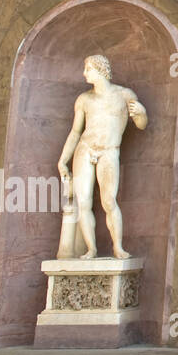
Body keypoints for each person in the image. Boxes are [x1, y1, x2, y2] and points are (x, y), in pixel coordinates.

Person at [57, 55, 147, 259]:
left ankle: (118, 247)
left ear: (100, 70)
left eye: (88, 69)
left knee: (108, 201)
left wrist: (141, 112)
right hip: (85, 149)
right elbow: (75, 132)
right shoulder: (84, 99)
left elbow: (141, 124)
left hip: (109, 150)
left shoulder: (124, 95)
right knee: (83, 202)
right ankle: (92, 249)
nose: (84, 73)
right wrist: (63, 159)